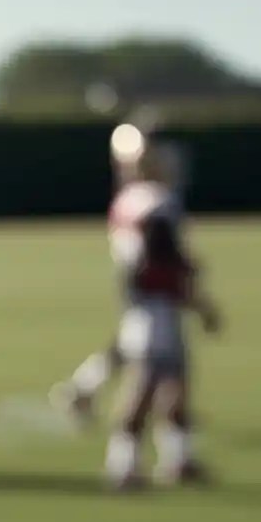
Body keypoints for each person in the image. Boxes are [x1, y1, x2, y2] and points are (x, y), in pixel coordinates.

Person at [51, 125, 186, 424]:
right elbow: (162, 253)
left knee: (132, 346)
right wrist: (193, 291)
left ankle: (83, 387)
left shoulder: (130, 197)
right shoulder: (155, 200)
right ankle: (132, 451)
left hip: (134, 284)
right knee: (157, 367)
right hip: (153, 287)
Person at [104, 207, 222, 490]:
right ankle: (134, 465)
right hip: (162, 334)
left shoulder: (139, 265)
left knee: (160, 400)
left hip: (144, 333)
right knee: (152, 400)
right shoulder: (167, 265)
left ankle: (155, 461)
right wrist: (208, 314)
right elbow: (186, 293)